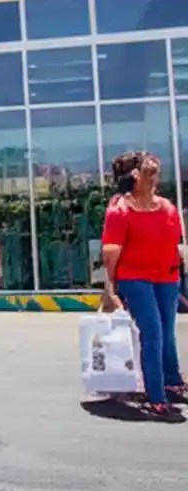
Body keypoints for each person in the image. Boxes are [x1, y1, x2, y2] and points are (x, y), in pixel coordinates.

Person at [101, 151, 185, 422]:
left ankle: (171, 383)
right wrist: (111, 287)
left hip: (167, 277)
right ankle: (156, 399)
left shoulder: (168, 207)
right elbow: (111, 252)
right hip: (135, 278)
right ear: (133, 177)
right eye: (146, 172)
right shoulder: (120, 210)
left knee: (167, 334)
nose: (152, 177)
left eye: (154, 173)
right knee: (153, 334)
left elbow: (175, 244)